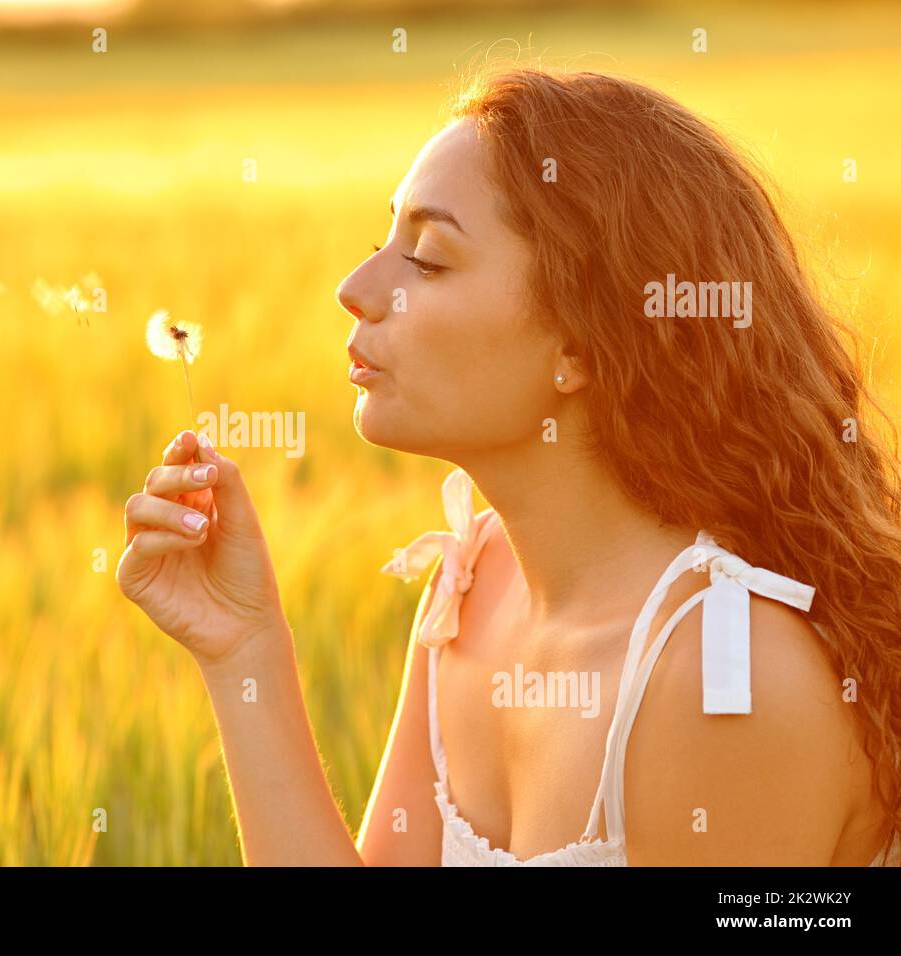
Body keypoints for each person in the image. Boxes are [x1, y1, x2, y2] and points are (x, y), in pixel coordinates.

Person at [116, 67, 901, 866]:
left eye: (427, 258)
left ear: (579, 344)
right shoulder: (475, 583)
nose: (355, 289)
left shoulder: (725, 682)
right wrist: (242, 647)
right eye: (380, 243)